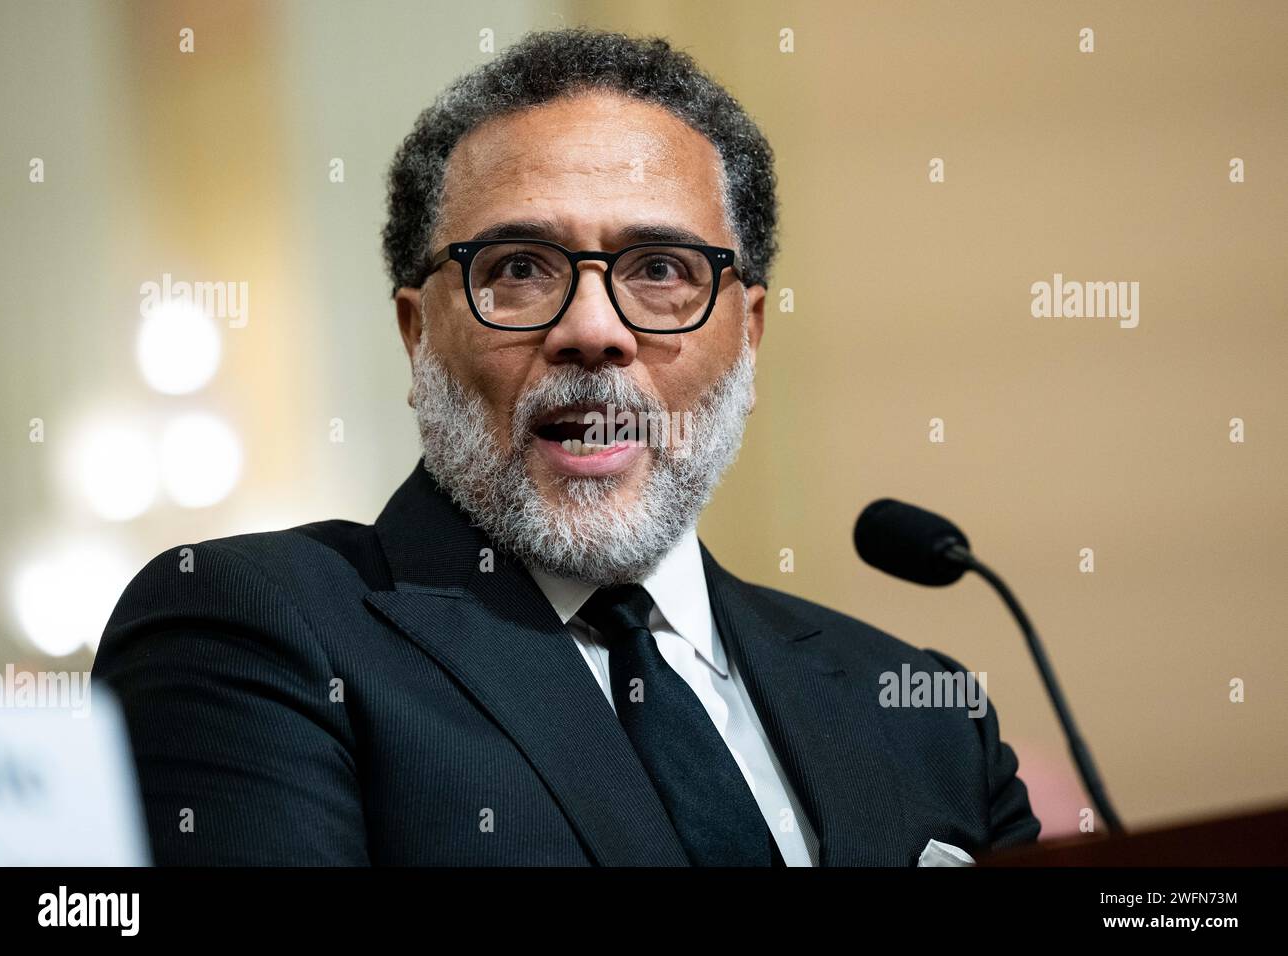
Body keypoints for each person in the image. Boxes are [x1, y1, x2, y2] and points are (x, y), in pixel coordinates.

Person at [94, 28, 1039, 866]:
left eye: (662, 269)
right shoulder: (251, 629)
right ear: (417, 334)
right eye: (517, 268)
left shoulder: (922, 711)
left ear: (748, 333)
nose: (594, 328)